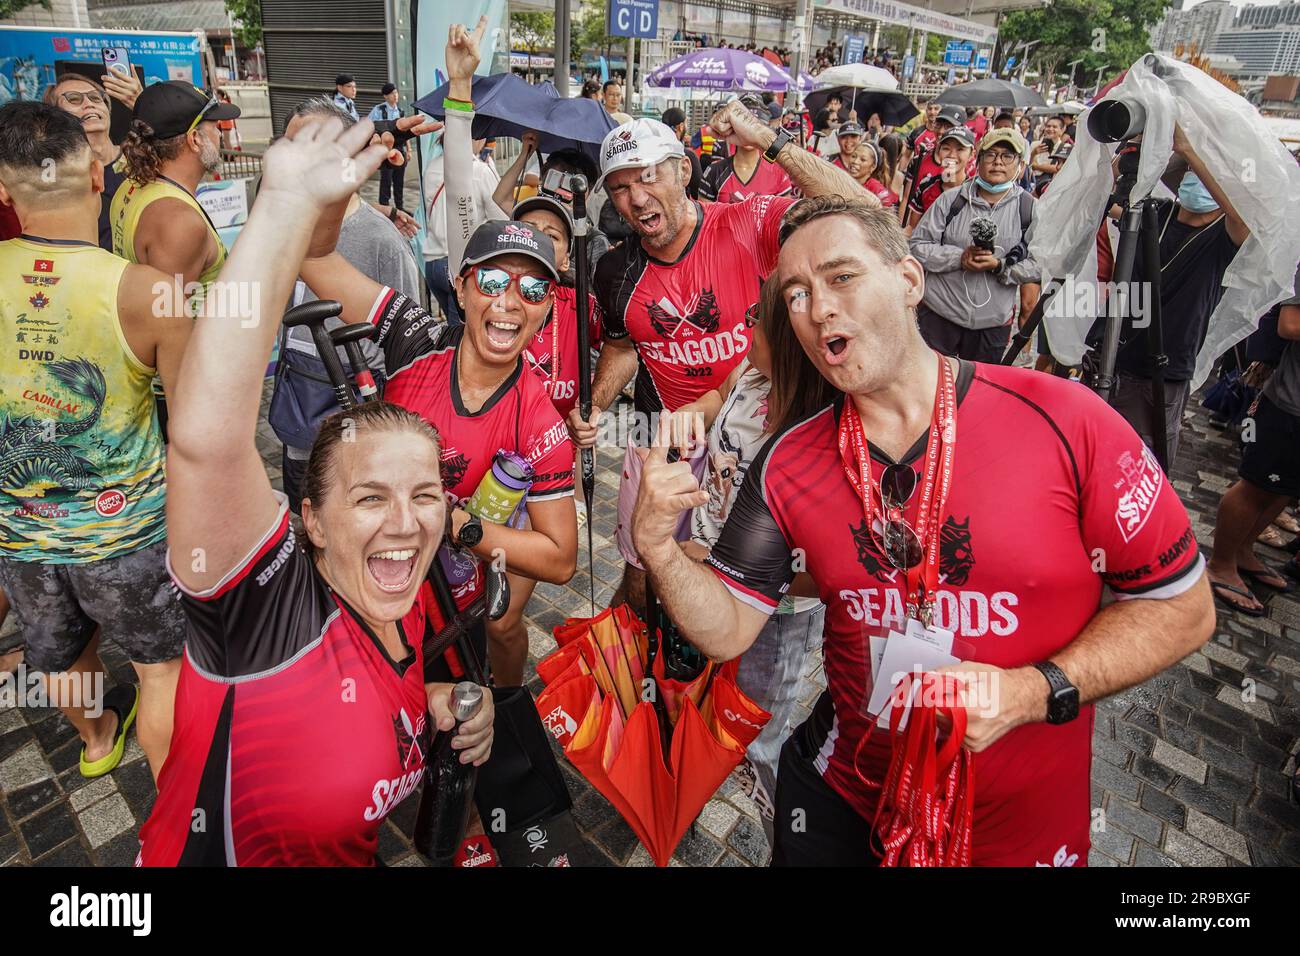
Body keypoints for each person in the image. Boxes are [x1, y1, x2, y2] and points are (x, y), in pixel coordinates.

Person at [630, 194, 1213, 866]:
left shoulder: (1064, 420)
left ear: (909, 281)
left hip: (1018, 823)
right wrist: (658, 548)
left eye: (841, 277)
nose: (818, 308)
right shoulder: (787, 461)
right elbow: (727, 625)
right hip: (841, 804)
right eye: (795, 294)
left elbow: (1183, 608)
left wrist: (1032, 690)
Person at [138, 114, 495, 866]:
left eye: (425, 495)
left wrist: (436, 708)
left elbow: (385, 694)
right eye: (369, 498)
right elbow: (206, 443)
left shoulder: (401, 609)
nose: (406, 523)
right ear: (312, 521)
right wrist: (286, 203)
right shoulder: (263, 616)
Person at [297, 18, 580, 682]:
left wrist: (456, 527)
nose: (509, 302)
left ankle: (499, 715)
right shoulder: (413, 337)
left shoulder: (541, 420)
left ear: (547, 307)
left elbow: (562, 559)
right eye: (491, 281)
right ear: (460, 286)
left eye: (533, 289)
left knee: (490, 653)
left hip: (461, 573)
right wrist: (340, 189)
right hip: (381, 569)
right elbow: (313, 258)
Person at [567, 101, 868, 617]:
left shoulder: (748, 223)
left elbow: (863, 211)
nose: (636, 198)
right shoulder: (615, 268)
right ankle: (640, 673)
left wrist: (771, 141)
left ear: (684, 170)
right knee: (642, 572)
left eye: (648, 177)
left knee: (726, 580)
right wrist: (594, 406)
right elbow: (620, 347)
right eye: (620, 187)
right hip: (655, 431)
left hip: (746, 434)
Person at [0, 102, 191, 782]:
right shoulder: (147, 292)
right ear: (96, 179)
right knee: (161, 668)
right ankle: (175, 812)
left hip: (22, 535)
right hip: (128, 536)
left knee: (57, 655)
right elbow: (193, 427)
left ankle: (94, 740)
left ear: (4, 189)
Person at [426, 21, 590, 684]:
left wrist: (590, 414)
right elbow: (466, 196)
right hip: (469, 474)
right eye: (533, 233)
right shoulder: (489, 297)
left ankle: (506, 697)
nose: (545, 245)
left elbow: (613, 364)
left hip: (539, 485)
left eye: (554, 242)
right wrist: (459, 92)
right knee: (442, 609)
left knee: (499, 621)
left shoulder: (579, 310)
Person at [683, 279, 825, 840]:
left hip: (773, 616)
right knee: (700, 701)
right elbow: (717, 400)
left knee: (756, 732)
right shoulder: (749, 373)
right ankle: (686, 794)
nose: (745, 330)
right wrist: (686, 416)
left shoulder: (817, 427)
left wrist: (736, 574)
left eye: (757, 322)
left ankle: (778, 836)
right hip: (705, 581)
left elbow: (826, 570)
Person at [272, 97, 423, 514]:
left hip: (358, 416)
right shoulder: (279, 226)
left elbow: (410, 351)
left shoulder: (382, 241)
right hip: (296, 412)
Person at [1104, 125, 1248, 466]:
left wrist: (1193, 151)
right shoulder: (1155, 213)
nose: (1196, 178)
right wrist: (1137, 140)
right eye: (1191, 171)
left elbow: (1244, 222)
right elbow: (1104, 195)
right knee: (1099, 447)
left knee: (1145, 459)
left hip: (1167, 364)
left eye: (1206, 174)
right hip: (1116, 349)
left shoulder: (1224, 234)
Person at [111, 80, 238, 437]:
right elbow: (169, 328)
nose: (222, 134)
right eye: (215, 126)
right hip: (185, 392)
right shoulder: (178, 222)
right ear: (195, 139)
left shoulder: (133, 184)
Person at [1206, 260, 1300, 616]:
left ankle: (1244, 552)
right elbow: (1289, 324)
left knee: (1284, 489)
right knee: (1256, 484)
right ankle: (1221, 562)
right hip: (1289, 403)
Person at [909, 128, 1039, 363]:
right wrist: (958, 258)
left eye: (1007, 156)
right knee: (933, 388)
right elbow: (918, 246)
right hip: (940, 315)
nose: (998, 162)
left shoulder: (1030, 210)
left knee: (979, 392)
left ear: (1020, 165)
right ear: (978, 161)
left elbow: (1040, 264)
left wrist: (1000, 267)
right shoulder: (950, 201)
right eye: (991, 154)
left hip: (992, 325)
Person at [43, 71, 142, 250]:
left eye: (96, 98)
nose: (89, 104)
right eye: (74, 99)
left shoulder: (143, 159)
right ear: (54, 119)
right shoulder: (56, 179)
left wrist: (141, 104)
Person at [421, 114, 502, 325]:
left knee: (452, 330)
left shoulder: (431, 168)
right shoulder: (480, 172)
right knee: (462, 335)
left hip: (432, 262)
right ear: (476, 137)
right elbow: (500, 220)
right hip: (460, 263)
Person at [699, 95, 794, 204]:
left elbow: (785, 218)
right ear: (732, 127)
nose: (749, 133)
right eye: (743, 126)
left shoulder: (778, 173)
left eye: (755, 127)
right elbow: (706, 217)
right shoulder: (714, 171)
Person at [903, 104, 971, 226]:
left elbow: (948, 191)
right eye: (938, 125)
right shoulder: (919, 160)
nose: (941, 131)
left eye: (949, 126)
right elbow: (907, 198)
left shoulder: (965, 166)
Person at [368, 83, 407, 211]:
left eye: (396, 93)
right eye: (391, 93)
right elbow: (370, 125)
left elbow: (406, 132)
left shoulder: (400, 111)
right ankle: (384, 208)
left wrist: (409, 150)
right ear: (385, 96)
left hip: (400, 148)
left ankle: (400, 207)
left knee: (399, 181)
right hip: (385, 150)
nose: (395, 96)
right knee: (386, 180)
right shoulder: (379, 110)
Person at [661, 107, 702, 200]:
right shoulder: (687, 155)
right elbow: (698, 191)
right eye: (686, 123)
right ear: (681, 126)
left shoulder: (654, 151)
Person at [844, 140, 898, 208]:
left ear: (873, 167)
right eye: (854, 156)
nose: (855, 161)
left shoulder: (878, 190)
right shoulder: (842, 180)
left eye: (863, 159)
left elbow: (888, 215)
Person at [1029, 116, 1072, 195]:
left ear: (1062, 130)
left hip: (1053, 190)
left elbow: (1057, 168)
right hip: (1033, 188)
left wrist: (1036, 166)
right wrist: (1034, 153)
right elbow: (1028, 167)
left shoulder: (1065, 147)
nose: (1050, 129)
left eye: (1055, 127)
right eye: (1048, 126)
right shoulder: (1035, 145)